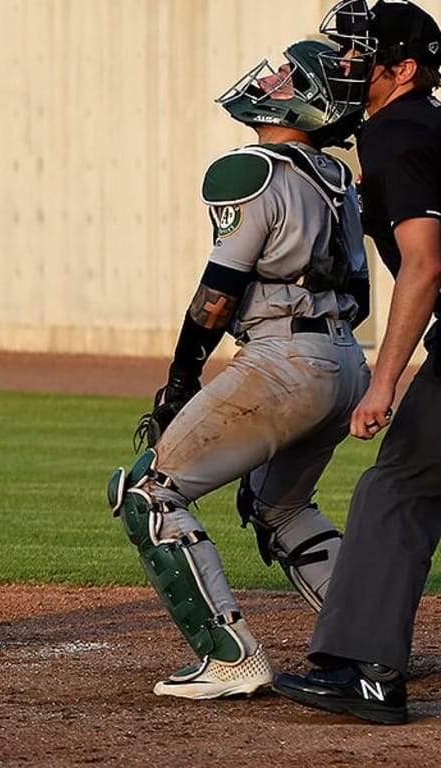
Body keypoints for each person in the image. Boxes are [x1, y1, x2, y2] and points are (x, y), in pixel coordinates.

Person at [106, 37, 372, 700]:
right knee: (278, 505)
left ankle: (231, 658)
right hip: (344, 359)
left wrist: (180, 377)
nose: (273, 78)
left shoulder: (249, 169)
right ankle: (367, 643)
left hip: (286, 360)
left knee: (149, 492)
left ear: (309, 102)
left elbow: (217, 293)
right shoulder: (337, 177)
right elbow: (363, 294)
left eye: (289, 75)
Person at [273, 0, 441, 725]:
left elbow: (424, 267)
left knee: (396, 490)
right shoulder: (422, 124)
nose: (345, 64)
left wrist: (383, 380)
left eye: (359, 54)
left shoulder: (397, 131)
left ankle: (370, 674)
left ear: (401, 70)